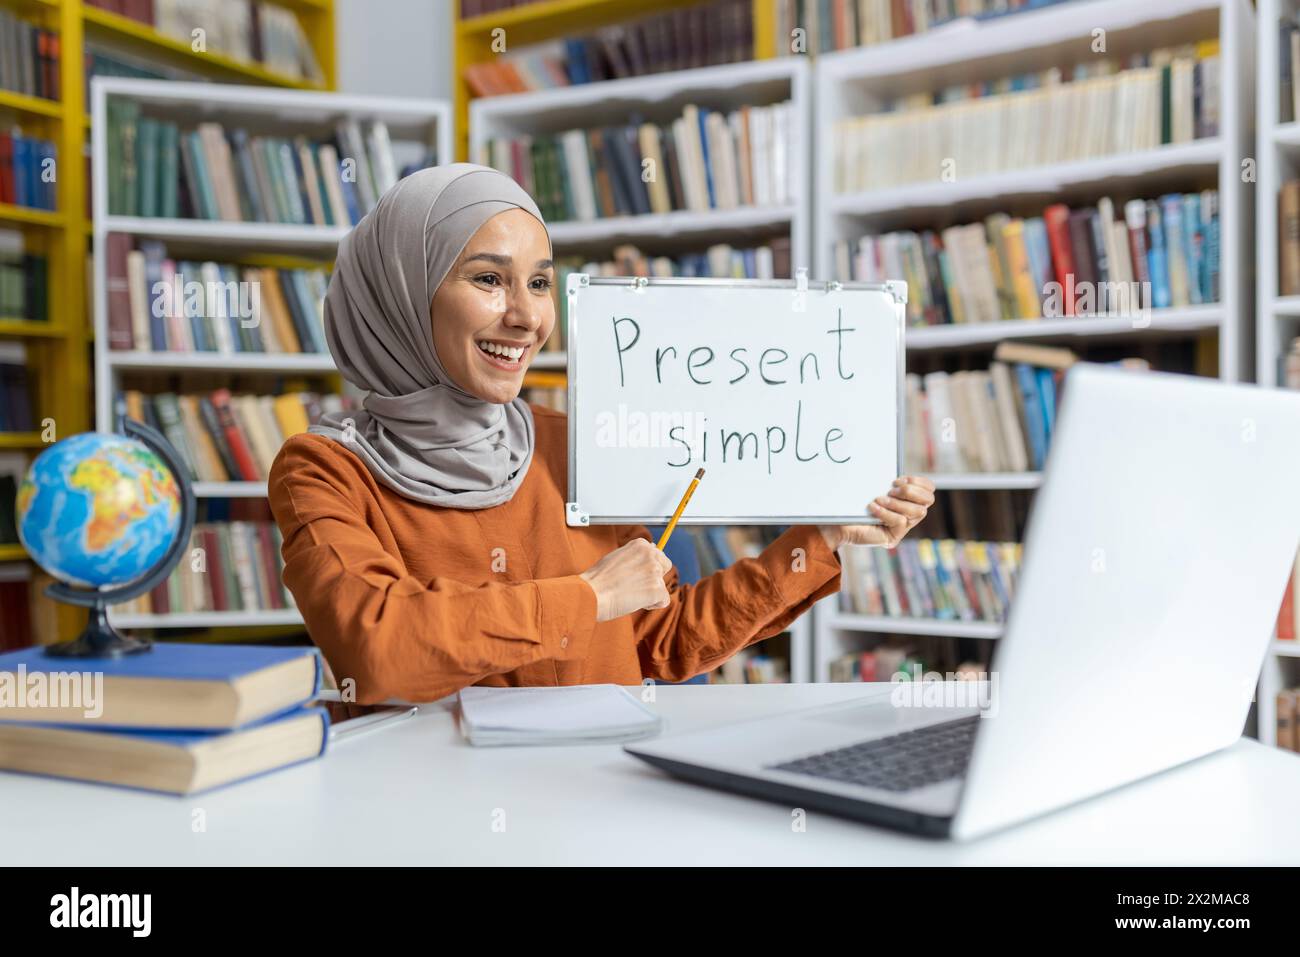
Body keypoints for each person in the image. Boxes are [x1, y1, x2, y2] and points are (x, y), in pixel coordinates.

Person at [267, 163, 935, 704]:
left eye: (538, 282)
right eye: (489, 279)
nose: (527, 316)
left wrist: (818, 538)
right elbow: (380, 650)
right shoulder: (324, 468)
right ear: (402, 294)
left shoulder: (570, 443)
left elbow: (660, 640)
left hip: (599, 804)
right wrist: (586, 596)